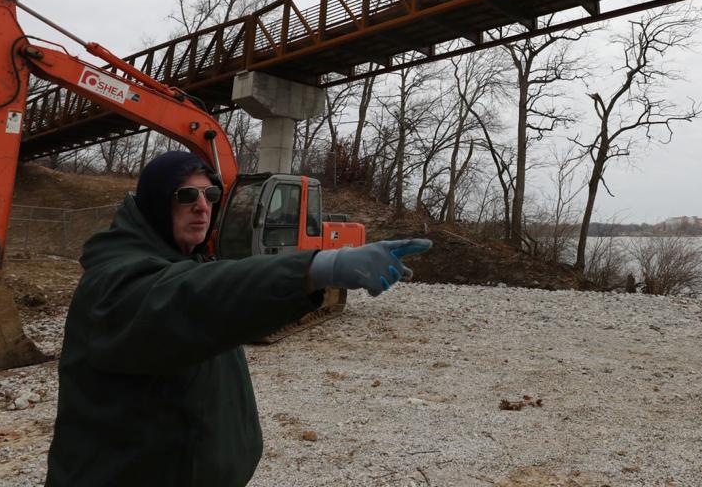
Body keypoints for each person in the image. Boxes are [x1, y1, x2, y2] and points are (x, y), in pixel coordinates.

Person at [45, 150, 431, 486]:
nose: (203, 206)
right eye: (186, 196)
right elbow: (192, 297)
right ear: (153, 205)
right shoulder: (116, 284)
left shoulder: (185, 263)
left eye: (211, 194)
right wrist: (316, 268)